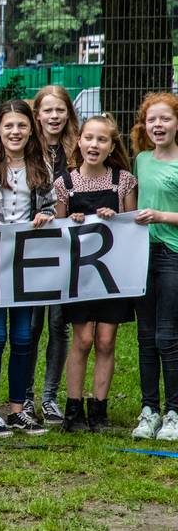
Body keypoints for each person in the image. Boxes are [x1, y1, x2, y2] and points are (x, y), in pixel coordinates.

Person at [0, 99, 55, 437]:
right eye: (9, 126)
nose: (15, 132)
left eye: (21, 126)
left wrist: (46, 216)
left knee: (22, 336)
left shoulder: (41, 164)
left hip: (28, 261)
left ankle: (18, 409)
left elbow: (48, 204)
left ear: (31, 128)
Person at [54, 115, 137, 432]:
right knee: (83, 339)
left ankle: (99, 410)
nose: (94, 144)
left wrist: (115, 218)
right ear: (79, 141)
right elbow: (59, 230)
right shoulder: (66, 183)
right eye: (89, 138)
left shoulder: (123, 181)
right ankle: (73, 409)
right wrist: (70, 219)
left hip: (112, 273)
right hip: (79, 275)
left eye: (102, 140)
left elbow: (132, 228)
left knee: (105, 341)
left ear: (112, 145)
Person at [26, 85, 81, 425]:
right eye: (48, 110)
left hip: (66, 250)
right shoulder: (27, 151)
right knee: (30, 327)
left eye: (60, 110)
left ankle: (49, 398)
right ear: (37, 115)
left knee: (58, 325)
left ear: (68, 114)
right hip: (32, 251)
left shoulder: (77, 151)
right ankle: (25, 398)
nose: (54, 116)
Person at [130, 92, 178, 440]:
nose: (158, 125)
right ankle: (149, 410)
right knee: (145, 337)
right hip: (140, 257)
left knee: (167, 336)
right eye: (152, 120)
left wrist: (161, 216)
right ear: (144, 126)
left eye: (165, 119)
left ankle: (174, 411)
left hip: (172, 255)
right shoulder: (141, 160)